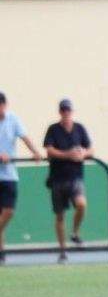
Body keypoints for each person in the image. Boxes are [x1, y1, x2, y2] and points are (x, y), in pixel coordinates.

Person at [43, 98, 92, 264]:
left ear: (72, 112)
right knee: (60, 216)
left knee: (81, 204)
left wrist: (83, 154)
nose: (66, 113)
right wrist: (67, 154)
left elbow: (91, 148)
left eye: (68, 110)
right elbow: (49, 150)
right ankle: (63, 251)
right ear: (60, 112)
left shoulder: (79, 129)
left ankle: (75, 232)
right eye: (63, 110)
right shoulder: (53, 129)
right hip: (58, 177)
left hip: (76, 176)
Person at [0, 91, 44, 265]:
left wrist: (35, 153)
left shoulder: (13, 119)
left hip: (9, 174)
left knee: (8, 212)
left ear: (5, 105)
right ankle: (1, 253)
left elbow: (24, 137)